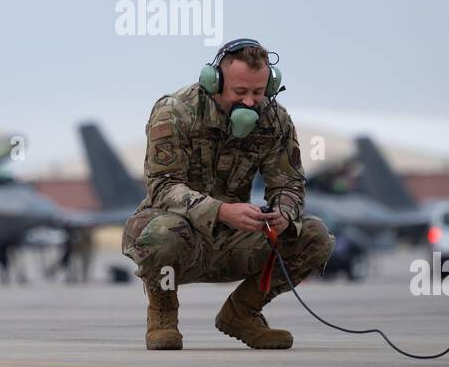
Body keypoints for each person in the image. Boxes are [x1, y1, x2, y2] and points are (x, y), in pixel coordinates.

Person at [122, 39, 334, 350]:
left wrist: (284, 213)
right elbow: (163, 186)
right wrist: (221, 211)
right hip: (179, 235)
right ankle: (163, 315)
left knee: (315, 236)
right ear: (215, 81)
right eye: (240, 91)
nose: (250, 102)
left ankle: (242, 313)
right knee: (163, 233)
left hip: (234, 237)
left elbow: (289, 182)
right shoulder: (175, 111)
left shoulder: (274, 120)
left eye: (258, 92)